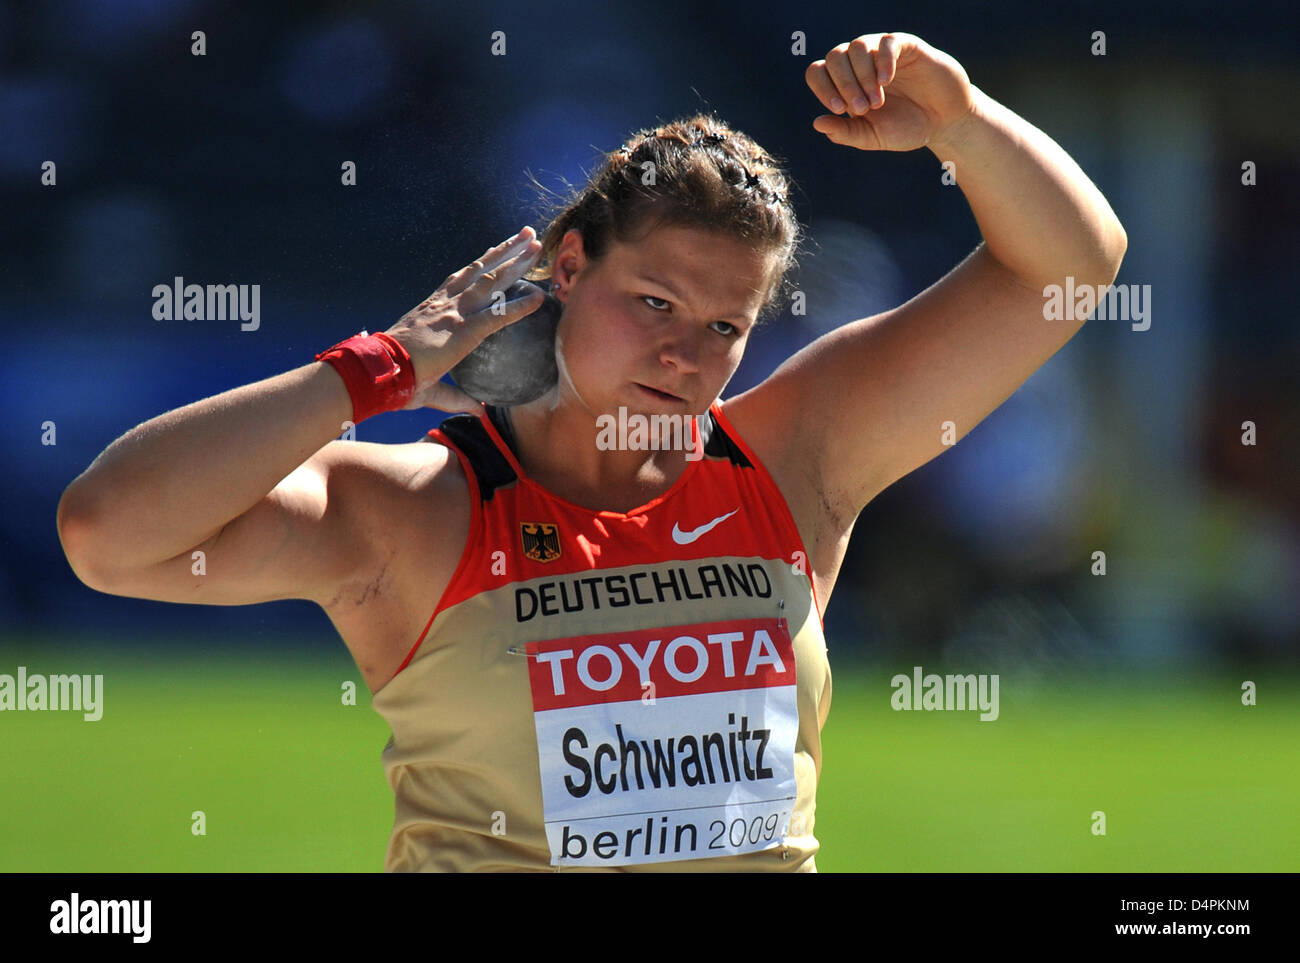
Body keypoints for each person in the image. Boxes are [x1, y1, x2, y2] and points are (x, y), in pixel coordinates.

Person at [56, 32, 1126, 872]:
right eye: (652, 301)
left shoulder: (795, 460)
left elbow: (1069, 269)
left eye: (724, 326)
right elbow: (109, 533)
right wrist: (373, 372)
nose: (682, 353)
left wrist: (966, 125)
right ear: (568, 267)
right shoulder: (418, 506)